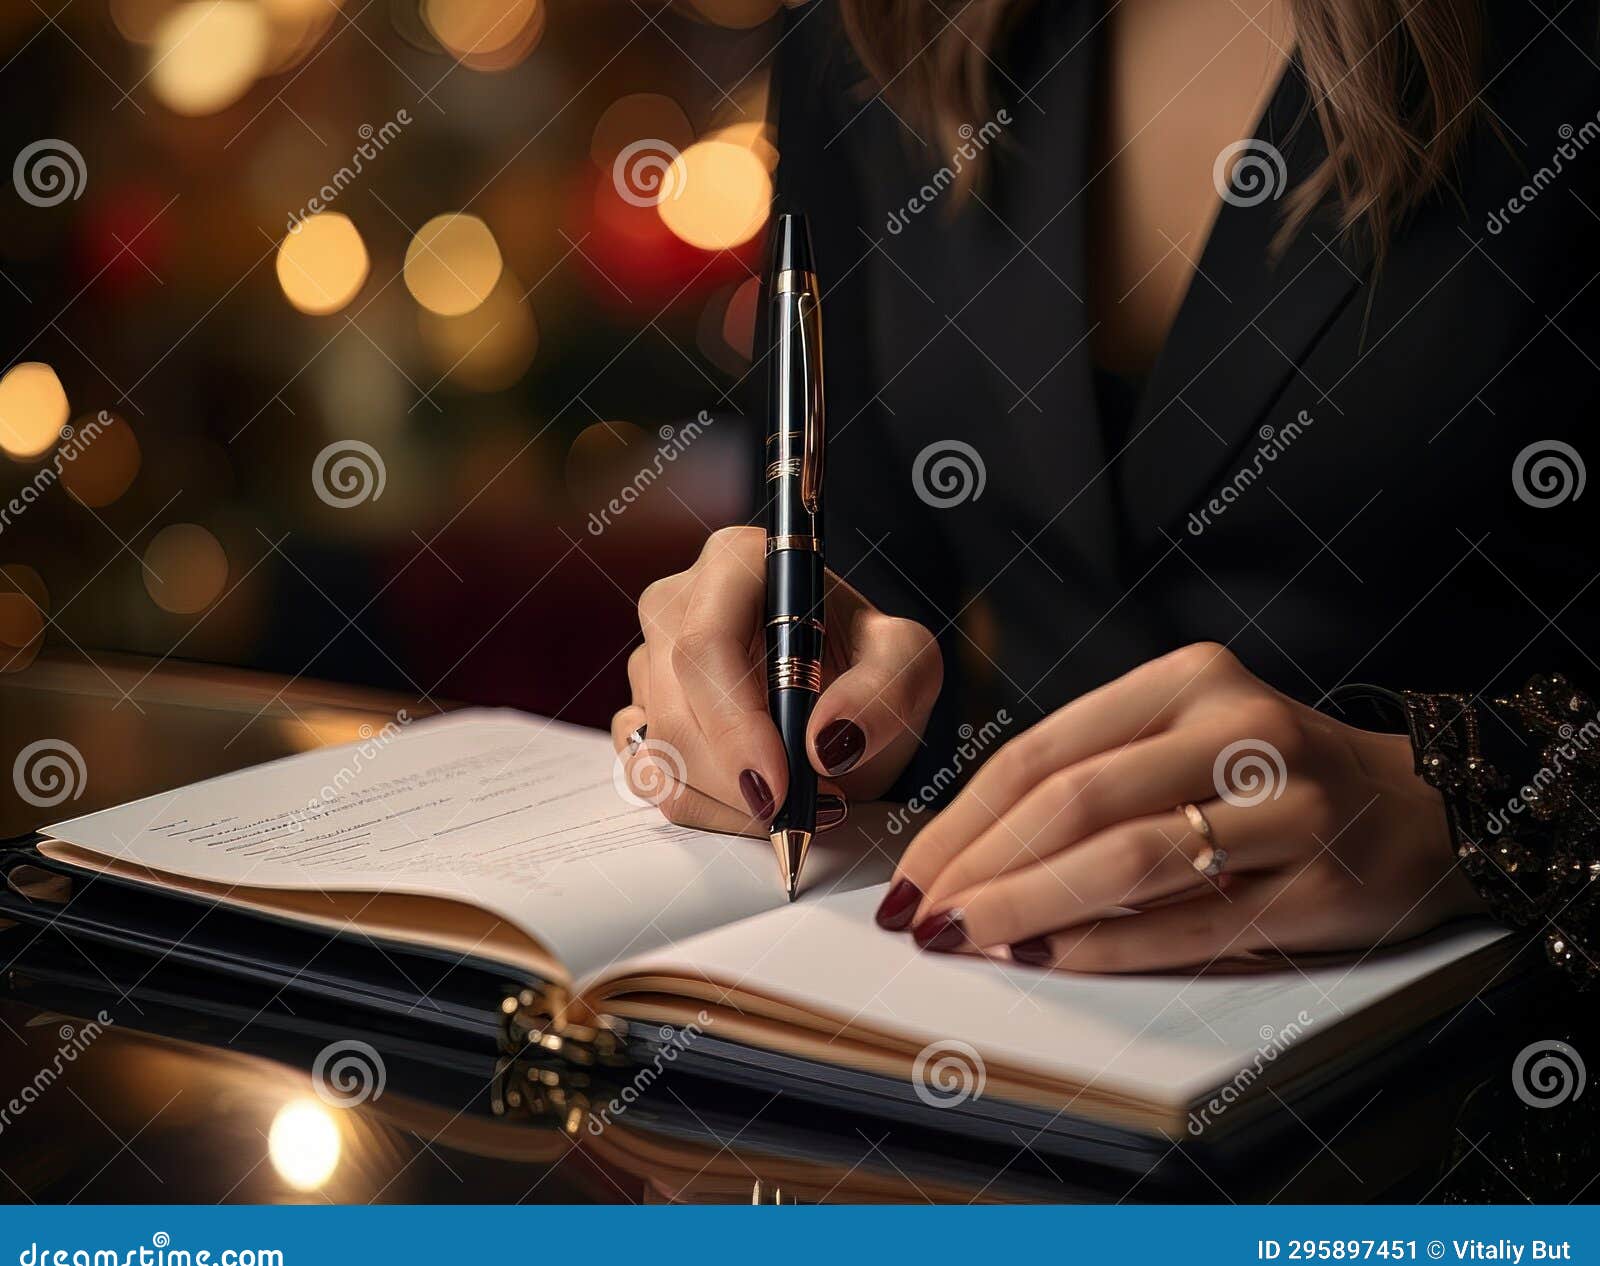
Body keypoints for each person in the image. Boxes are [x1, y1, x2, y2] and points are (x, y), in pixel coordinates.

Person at [612, 0, 1600, 984]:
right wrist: (803, 698)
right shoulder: (869, 19)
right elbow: (867, 562)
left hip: (1489, 1050)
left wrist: (1461, 804)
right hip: (990, 1006)